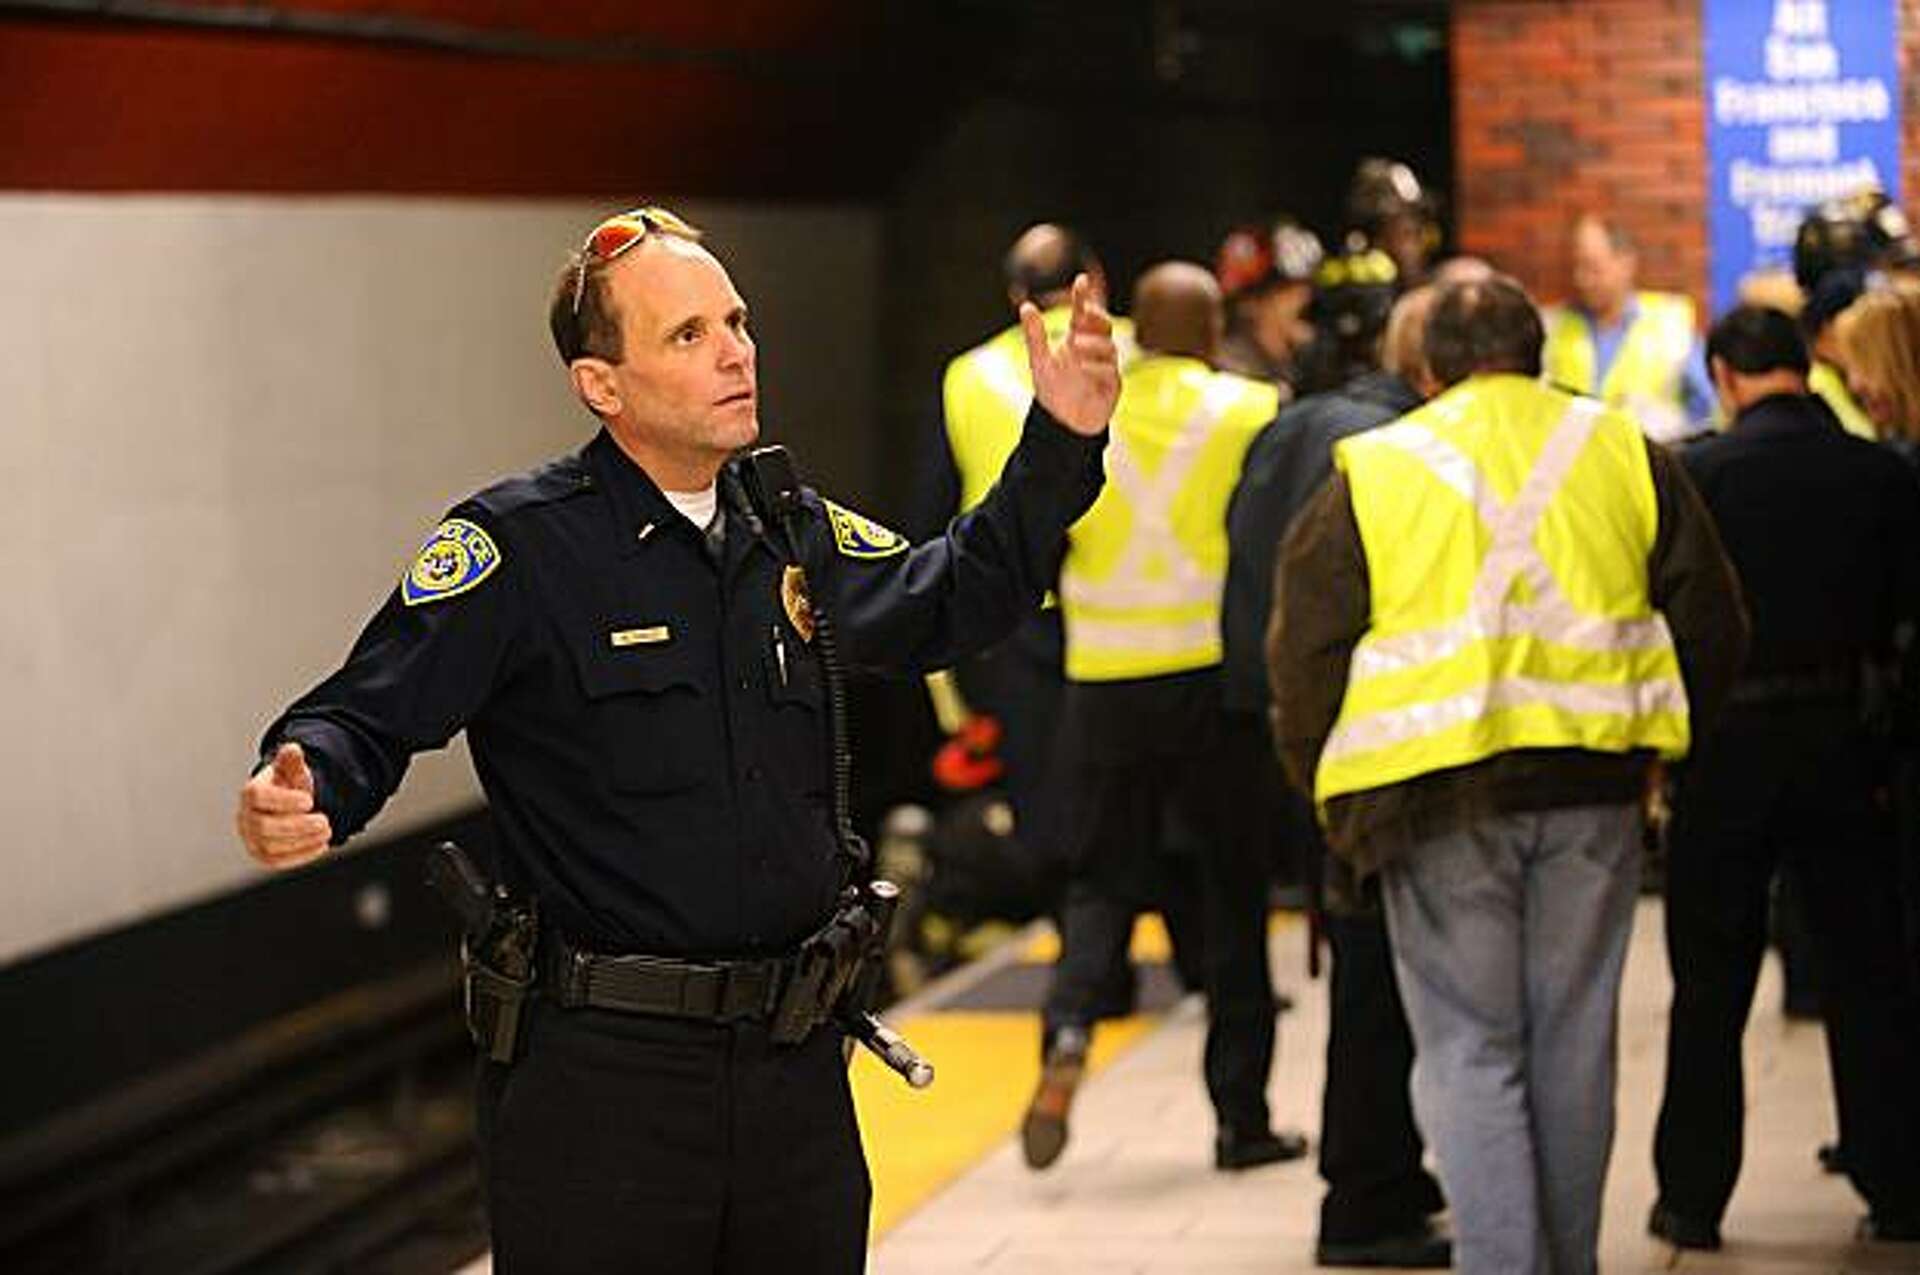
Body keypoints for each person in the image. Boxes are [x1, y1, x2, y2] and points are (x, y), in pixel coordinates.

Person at [234, 205, 1120, 1274]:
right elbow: (366, 709)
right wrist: (310, 780)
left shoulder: (787, 528)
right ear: (602, 386)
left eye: (737, 322)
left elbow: (951, 598)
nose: (737, 352)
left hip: (794, 1075)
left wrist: (1060, 443)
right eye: (688, 335)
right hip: (605, 1090)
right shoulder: (521, 549)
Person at [1269, 276, 1746, 1274]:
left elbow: (1304, 654)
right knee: (1574, 1044)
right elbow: (1713, 623)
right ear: (1538, 355)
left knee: (1469, 1049)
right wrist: (1660, 743)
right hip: (1597, 792)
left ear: (1427, 367)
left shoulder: (1372, 469)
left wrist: (1331, 795)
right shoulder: (1623, 449)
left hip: (1432, 797)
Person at [1020, 261, 1303, 1175]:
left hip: (1101, 680)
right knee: (1233, 896)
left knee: (1101, 879)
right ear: (1215, 325)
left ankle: (1066, 1031)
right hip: (1210, 690)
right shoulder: (1251, 408)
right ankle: (1241, 1120)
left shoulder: (1090, 405)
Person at [1648, 306, 1920, 1250]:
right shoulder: (1878, 473)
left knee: (1709, 982)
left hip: (1724, 747)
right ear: (1809, 371)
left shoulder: (1692, 474)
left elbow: (1663, 618)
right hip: (1842, 738)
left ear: (1723, 374)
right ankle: (1896, 1185)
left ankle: (1691, 1196)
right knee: (1866, 971)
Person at [1224, 277, 1451, 1269]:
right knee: (1382, 978)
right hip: (1376, 741)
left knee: (1364, 967)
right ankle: (1368, 1193)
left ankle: (1384, 1173)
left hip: (1286, 730)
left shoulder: (1286, 429)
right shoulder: (1391, 447)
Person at [911, 223, 1136, 868]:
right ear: (1091, 282)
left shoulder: (967, 375)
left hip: (1014, 617)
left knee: (1046, 804)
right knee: (1130, 801)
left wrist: (947, 693)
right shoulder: (1137, 351)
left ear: (1017, 295)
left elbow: (931, 520)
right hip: (1142, 617)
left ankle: (1075, 937)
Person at [1541, 214, 1715, 443]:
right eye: (1577, 266)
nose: (1582, 279)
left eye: (1593, 268)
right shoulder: (1555, 326)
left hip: (1649, 468)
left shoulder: (1669, 325)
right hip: (1572, 472)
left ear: (1626, 263)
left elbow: (1708, 411)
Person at [1214, 216, 1324, 392]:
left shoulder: (1304, 363)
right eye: (1285, 289)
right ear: (1250, 304)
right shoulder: (1226, 378)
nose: (1305, 297)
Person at [1343, 157, 1441, 287]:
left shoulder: (1429, 288)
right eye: (1405, 234)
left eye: (1416, 233)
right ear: (1377, 238)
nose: (1417, 245)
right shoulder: (1355, 283)